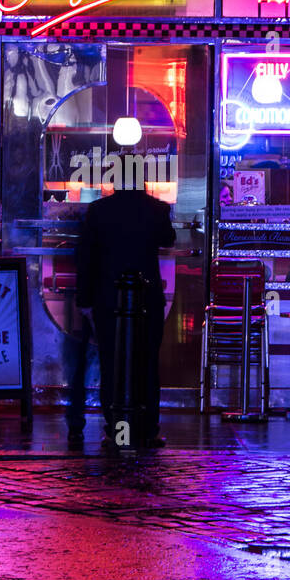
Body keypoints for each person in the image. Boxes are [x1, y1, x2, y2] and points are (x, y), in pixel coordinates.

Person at [74, 180, 176, 449]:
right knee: (147, 363)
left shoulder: (98, 210)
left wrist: (84, 299)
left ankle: (117, 431)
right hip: (147, 297)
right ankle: (148, 430)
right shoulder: (157, 209)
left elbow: (85, 257)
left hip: (108, 297)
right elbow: (168, 238)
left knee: (112, 363)